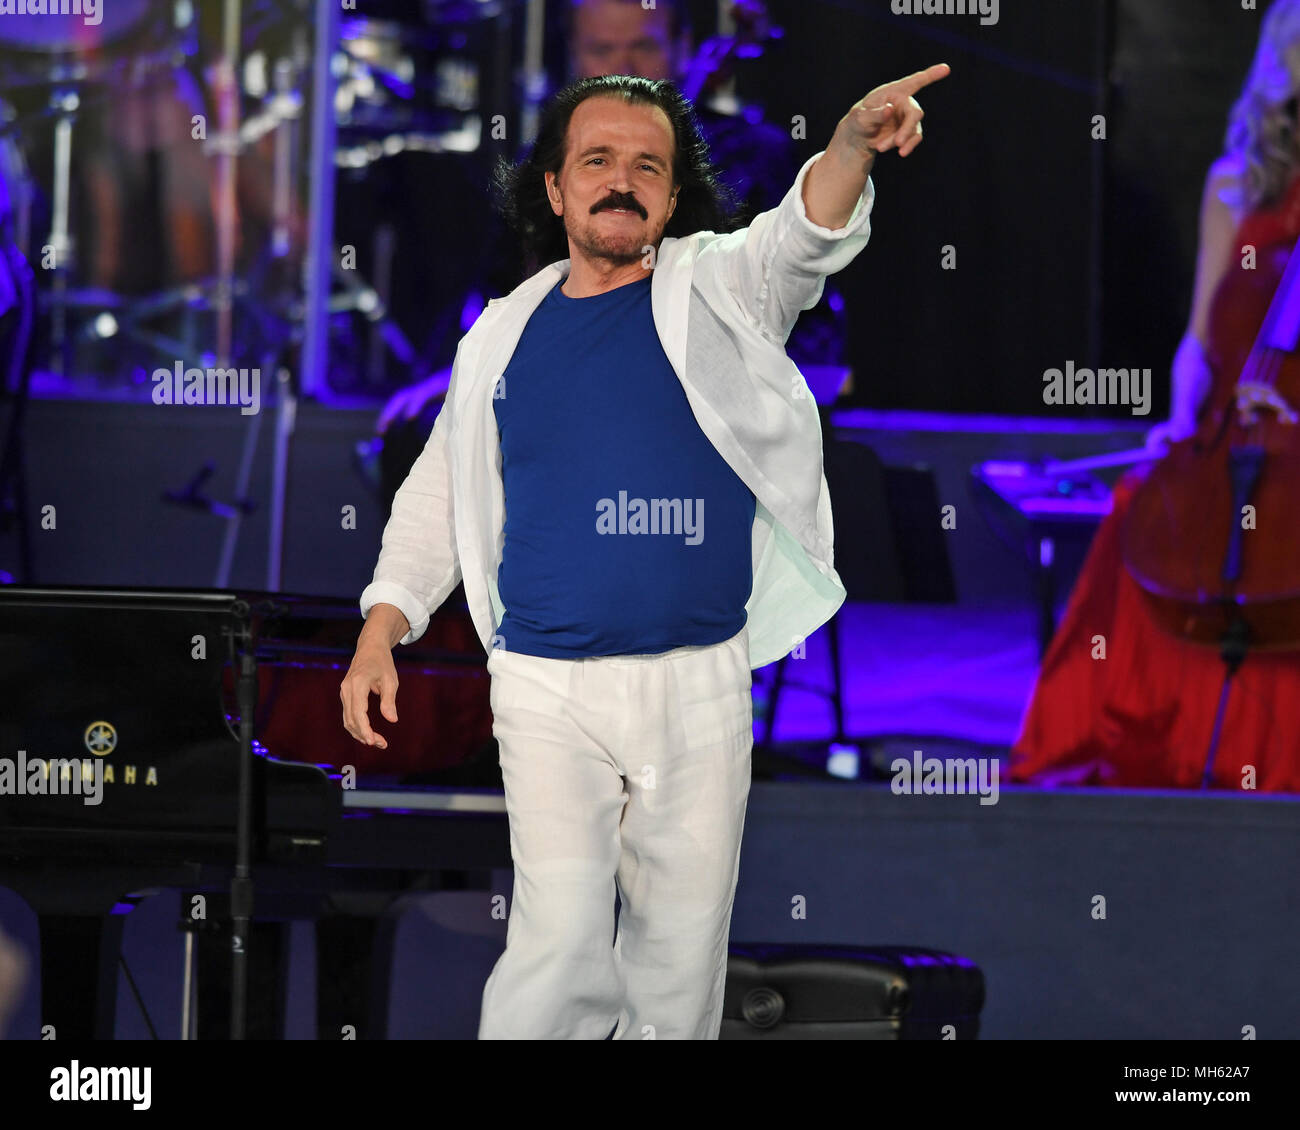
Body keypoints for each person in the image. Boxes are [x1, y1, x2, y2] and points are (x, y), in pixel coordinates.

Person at [341, 66, 949, 1039]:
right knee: (559, 940)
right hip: (545, 681)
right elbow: (439, 493)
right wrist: (384, 624)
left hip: (696, 678)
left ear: (672, 194)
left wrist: (846, 149)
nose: (620, 181)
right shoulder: (497, 338)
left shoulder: (718, 290)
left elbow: (800, 239)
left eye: (646, 166)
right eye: (596, 161)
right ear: (553, 187)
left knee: (677, 959)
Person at [1010, 0, 1300, 792]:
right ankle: (1139, 756)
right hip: (1231, 432)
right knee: (1143, 509)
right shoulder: (1237, 184)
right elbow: (1202, 338)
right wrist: (1181, 417)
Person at [375, 0, 847, 437]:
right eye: (602, 49)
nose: (624, 68)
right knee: (424, 434)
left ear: (683, 48)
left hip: (710, 406)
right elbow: (502, 296)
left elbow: (802, 311)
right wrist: (466, 374)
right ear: (575, 58)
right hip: (571, 390)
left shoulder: (752, 158)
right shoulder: (547, 165)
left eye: (644, 46)